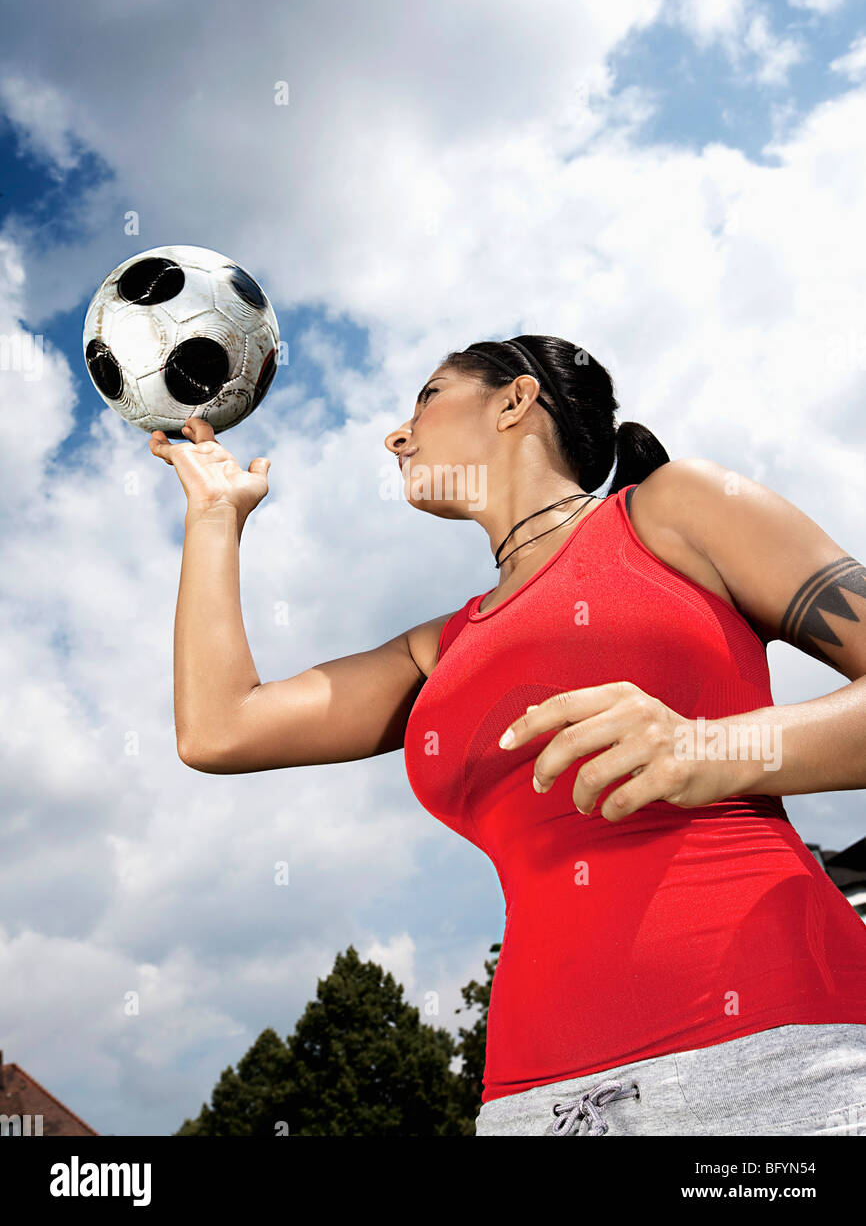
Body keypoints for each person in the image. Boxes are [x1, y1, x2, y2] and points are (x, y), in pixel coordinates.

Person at [151, 333, 866, 1137]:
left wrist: (707, 748)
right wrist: (214, 514)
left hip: (776, 1048)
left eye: (427, 397)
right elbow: (218, 730)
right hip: (536, 1098)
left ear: (516, 400)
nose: (395, 435)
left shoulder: (676, 509)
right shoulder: (438, 649)